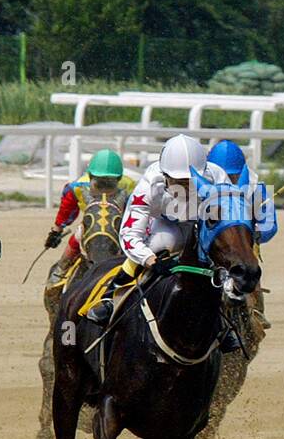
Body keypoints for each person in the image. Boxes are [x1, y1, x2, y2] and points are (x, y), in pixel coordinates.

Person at [82, 133, 241, 352]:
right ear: (165, 175)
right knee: (159, 244)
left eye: (191, 180)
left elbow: (231, 220)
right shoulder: (149, 184)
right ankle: (111, 296)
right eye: (179, 181)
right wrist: (151, 260)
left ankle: (226, 321)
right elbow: (129, 235)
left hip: (203, 225)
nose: (185, 187)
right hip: (166, 225)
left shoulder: (217, 177)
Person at [43, 148, 136, 287]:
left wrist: (56, 231)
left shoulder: (77, 187)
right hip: (102, 229)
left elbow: (66, 212)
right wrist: (56, 230)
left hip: (112, 228)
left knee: (79, 235)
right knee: (80, 234)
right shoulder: (129, 185)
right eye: (101, 182)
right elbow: (66, 210)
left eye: (109, 183)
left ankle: (61, 269)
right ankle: (63, 266)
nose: (104, 186)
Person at [207, 139, 278, 244]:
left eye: (232, 177)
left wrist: (254, 231)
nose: (226, 181)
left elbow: (270, 225)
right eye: (220, 176)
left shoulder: (255, 188)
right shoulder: (201, 187)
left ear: (242, 172)